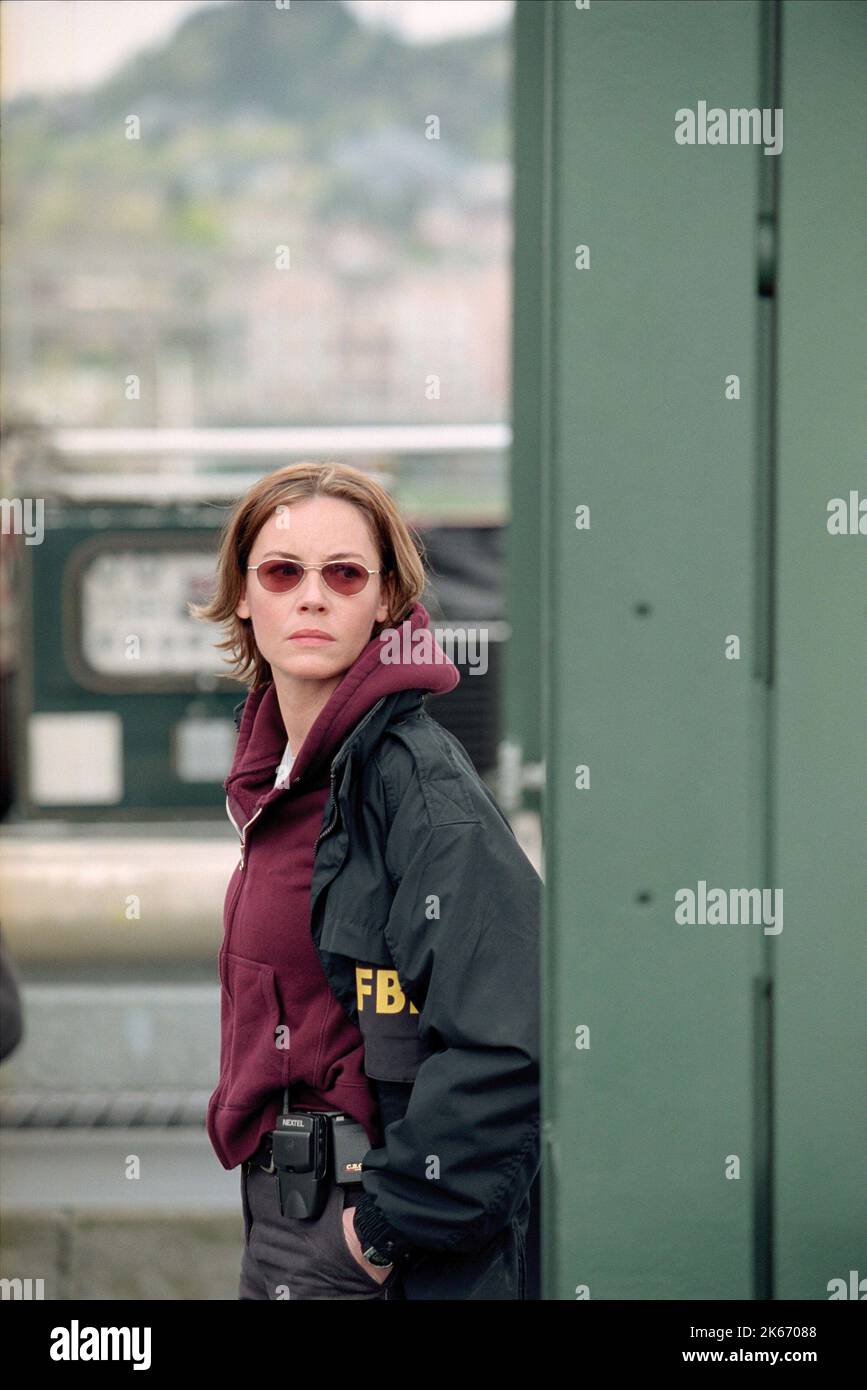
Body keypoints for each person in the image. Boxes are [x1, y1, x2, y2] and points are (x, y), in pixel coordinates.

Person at [190, 460, 540, 1300]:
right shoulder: (284, 779)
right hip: (287, 1206)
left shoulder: (413, 784)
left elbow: (511, 1035)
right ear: (244, 595)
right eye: (282, 572)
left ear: (386, 600)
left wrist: (381, 1232)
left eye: (343, 574)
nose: (311, 597)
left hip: (370, 1237)